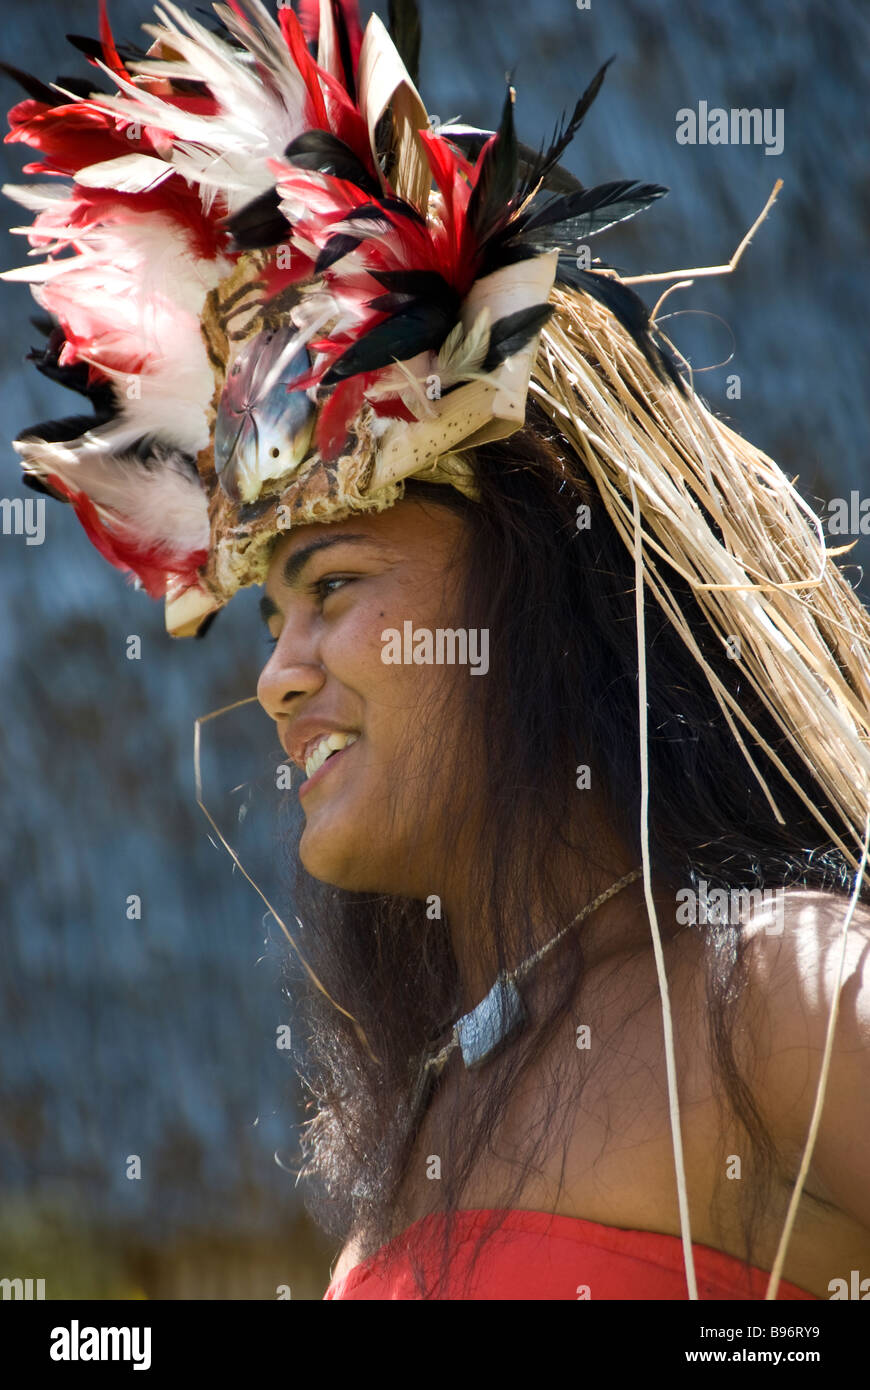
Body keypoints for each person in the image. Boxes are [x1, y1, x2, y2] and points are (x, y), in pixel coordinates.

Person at [3, 0, 869, 1300]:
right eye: (270, 611)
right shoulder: (428, 1116)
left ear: (535, 591)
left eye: (333, 584)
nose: (275, 674)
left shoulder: (784, 997)